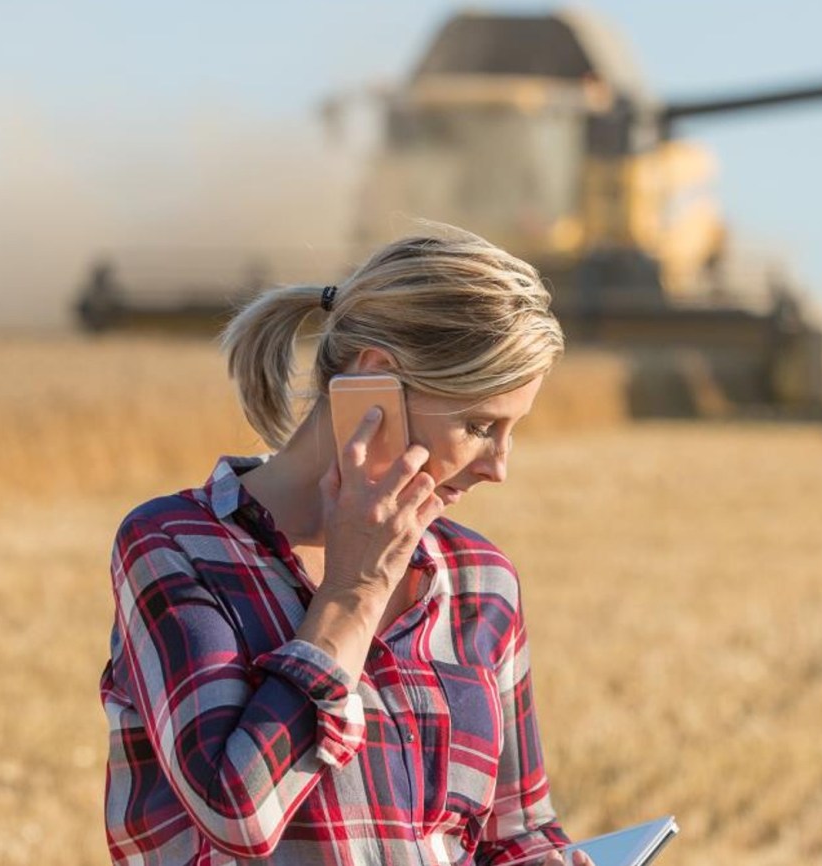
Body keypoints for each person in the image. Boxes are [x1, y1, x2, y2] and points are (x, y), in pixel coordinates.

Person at [99, 227, 590, 866]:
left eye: (511, 430)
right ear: (376, 381)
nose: (499, 466)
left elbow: (517, 828)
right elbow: (236, 814)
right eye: (479, 426)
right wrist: (354, 591)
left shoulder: (480, 578)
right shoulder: (177, 547)